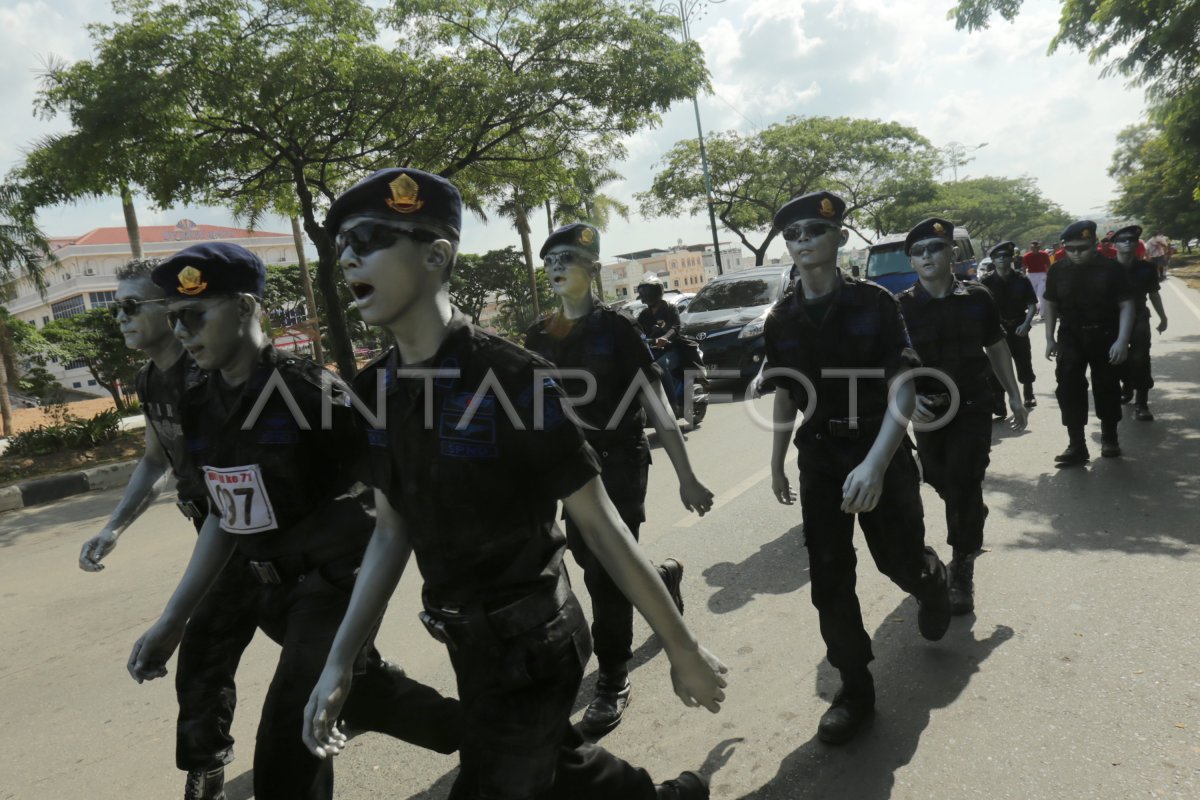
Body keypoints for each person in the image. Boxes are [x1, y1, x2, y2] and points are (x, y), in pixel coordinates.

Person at [304, 168, 726, 800]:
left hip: (535, 643)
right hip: (466, 642)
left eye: (368, 240)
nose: (348, 259)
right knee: (558, 766)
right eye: (343, 246)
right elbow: (391, 530)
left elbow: (601, 526)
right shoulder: (376, 388)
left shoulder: (512, 377)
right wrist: (341, 659)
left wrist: (681, 648)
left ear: (435, 255)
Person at [126, 242, 462, 800]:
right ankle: (507, 739)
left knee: (287, 746)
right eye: (174, 317)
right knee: (364, 694)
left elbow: (394, 504)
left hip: (332, 587)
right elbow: (224, 514)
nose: (181, 332)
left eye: (195, 315)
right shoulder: (199, 401)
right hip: (264, 583)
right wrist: (172, 618)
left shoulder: (310, 393)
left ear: (244, 308)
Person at [763, 191, 951, 746]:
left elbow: (904, 388)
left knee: (897, 560)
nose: (803, 242)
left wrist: (875, 463)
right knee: (829, 576)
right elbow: (785, 391)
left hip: (879, 448)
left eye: (814, 231)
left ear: (840, 238)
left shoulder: (876, 303)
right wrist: (775, 462)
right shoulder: (781, 317)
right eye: (793, 234)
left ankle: (931, 581)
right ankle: (855, 688)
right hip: (821, 455)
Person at [78, 258, 261, 800]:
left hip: (249, 531)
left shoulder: (210, 373)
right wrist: (114, 527)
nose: (121, 317)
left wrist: (172, 617)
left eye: (132, 306)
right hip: (215, 527)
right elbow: (156, 460)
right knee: (318, 656)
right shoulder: (150, 378)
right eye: (117, 309)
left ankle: (206, 770)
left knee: (202, 650)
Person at [524, 222, 714, 739]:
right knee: (591, 558)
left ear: (591, 269)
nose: (557, 267)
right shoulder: (539, 335)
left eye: (568, 259)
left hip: (619, 461)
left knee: (605, 572)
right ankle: (660, 577)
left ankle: (612, 675)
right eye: (550, 261)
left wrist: (687, 477)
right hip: (569, 467)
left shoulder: (618, 330)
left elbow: (658, 404)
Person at [898, 222, 1029, 617]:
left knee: (961, 479)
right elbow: (889, 363)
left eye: (935, 247)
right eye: (918, 250)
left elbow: (996, 346)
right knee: (938, 476)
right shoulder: (901, 307)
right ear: (911, 261)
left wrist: (1014, 395)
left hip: (972, 404)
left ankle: (962, 567)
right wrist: (907, 399)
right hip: (929, 410)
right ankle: (970, 509)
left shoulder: (978, 297)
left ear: (951, 253)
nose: (926, 256)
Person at [1044, 220, 1135, 466]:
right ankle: (1077, 445)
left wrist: (1122, 340)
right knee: (1068, 387)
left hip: (1105, 336)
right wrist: (1049, 338)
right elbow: (1050, 303)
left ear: (1094, 245)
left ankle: (1109, 438)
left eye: (1082, 248)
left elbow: (1126, 304)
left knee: (1107, 386)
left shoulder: (1112, 269)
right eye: (1070, 249)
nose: (1076, 253)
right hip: (1071, 336)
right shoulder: (1058, 270)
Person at [1112, 224, 1168, 420]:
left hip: (1139, 317)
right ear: (1115, 245)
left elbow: (1154, 294)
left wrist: (1163, 317)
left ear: (1138, 244)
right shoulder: (1106, 269)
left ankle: (1142, 403)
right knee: (1116, 358)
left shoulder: (1147, 268)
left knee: (1140, 357)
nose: (1128, 243)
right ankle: (1127, 384)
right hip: (1111, 319)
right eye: (1123, 240)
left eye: (1132, 240)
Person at [982, 241, 1039, 410]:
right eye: (997, 257)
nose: (1001, 259)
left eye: (1005, 256)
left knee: (1024, 361)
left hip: (1018, 327)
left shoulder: (1022, 280)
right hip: (996, 331)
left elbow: (1032, 305)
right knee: (995, 367)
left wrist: (1026, 324)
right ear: (993, 260)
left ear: (1011, 258)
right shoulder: (986, 282)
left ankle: (1028, 394)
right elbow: (982, 308)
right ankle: (999, 401)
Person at [636, 274, 684, 408]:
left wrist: (665, 338)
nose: (643, 297)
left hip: (672, 350)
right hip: (652, 351)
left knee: (660, 366)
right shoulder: (644, 315)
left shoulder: (670, 309)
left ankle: (673, 404)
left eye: (645, 293)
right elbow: (637, 330)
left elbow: (675, 327)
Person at [1022, 240, 1051, 317]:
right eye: (1033, 247)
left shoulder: (1044, 254)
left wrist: (1049, 275)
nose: (1035, 249)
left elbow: (1048, 266)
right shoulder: (1026, 256)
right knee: (1033, 295)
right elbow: (1024, 267)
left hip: (1042, 275)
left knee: (1041, 294)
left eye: (1036, 247)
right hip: (1031, 276)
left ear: (1039, 247)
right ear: (1031, 248)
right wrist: (1024, 277)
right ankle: (1037, 307)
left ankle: (1043, 312)